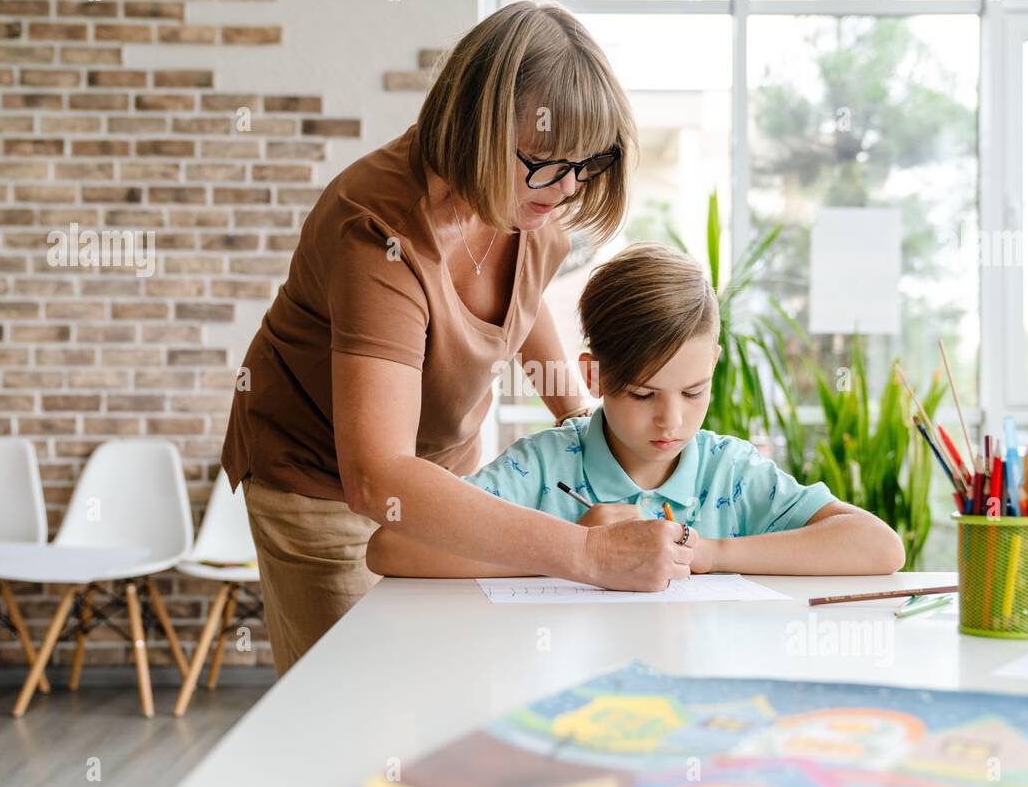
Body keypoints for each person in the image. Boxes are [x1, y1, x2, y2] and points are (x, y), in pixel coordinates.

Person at [220, 2, 688, 676]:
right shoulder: (376, 231)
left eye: (585, 165)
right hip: (319, 480)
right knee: (356, 701)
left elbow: (521, 308)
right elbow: (377, 475)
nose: (567, 188)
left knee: (450, 679)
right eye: (548, 163)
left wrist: (583, 423)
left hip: (444, 468)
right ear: (478, 129)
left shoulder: (539, 198)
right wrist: (588, 555)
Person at [366, 243, 907, 578]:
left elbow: (879, 547)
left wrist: (712, 553)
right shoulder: (545, 468)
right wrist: (575, 547)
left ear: (714, 365)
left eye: (693, 392)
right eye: (644, 395)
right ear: (594, 376)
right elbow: (392, 548)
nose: (671, 421)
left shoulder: (731, 472)